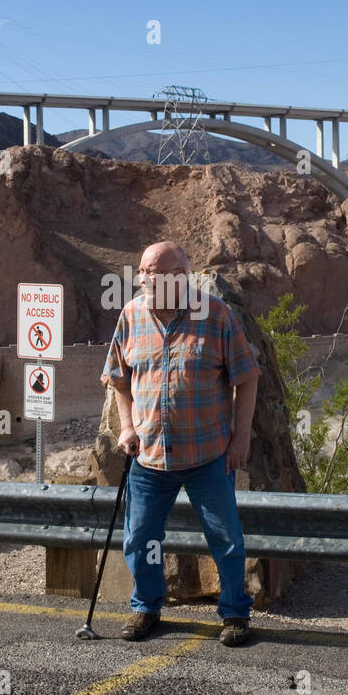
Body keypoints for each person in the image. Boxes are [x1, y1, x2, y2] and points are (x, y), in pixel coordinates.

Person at [100, 241, 260, 647]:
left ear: (179, 277)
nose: (143, 279)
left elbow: (247, 375)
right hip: (149, 455)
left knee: (225, 539)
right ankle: (146, 608)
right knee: (140, 538)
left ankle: (235, 614)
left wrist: (241, 436)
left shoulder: (216, 315)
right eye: (141, 271)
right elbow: (119, 377)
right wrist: (126, 426)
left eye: (153, 271)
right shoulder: (131, 316)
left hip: (208, 455)